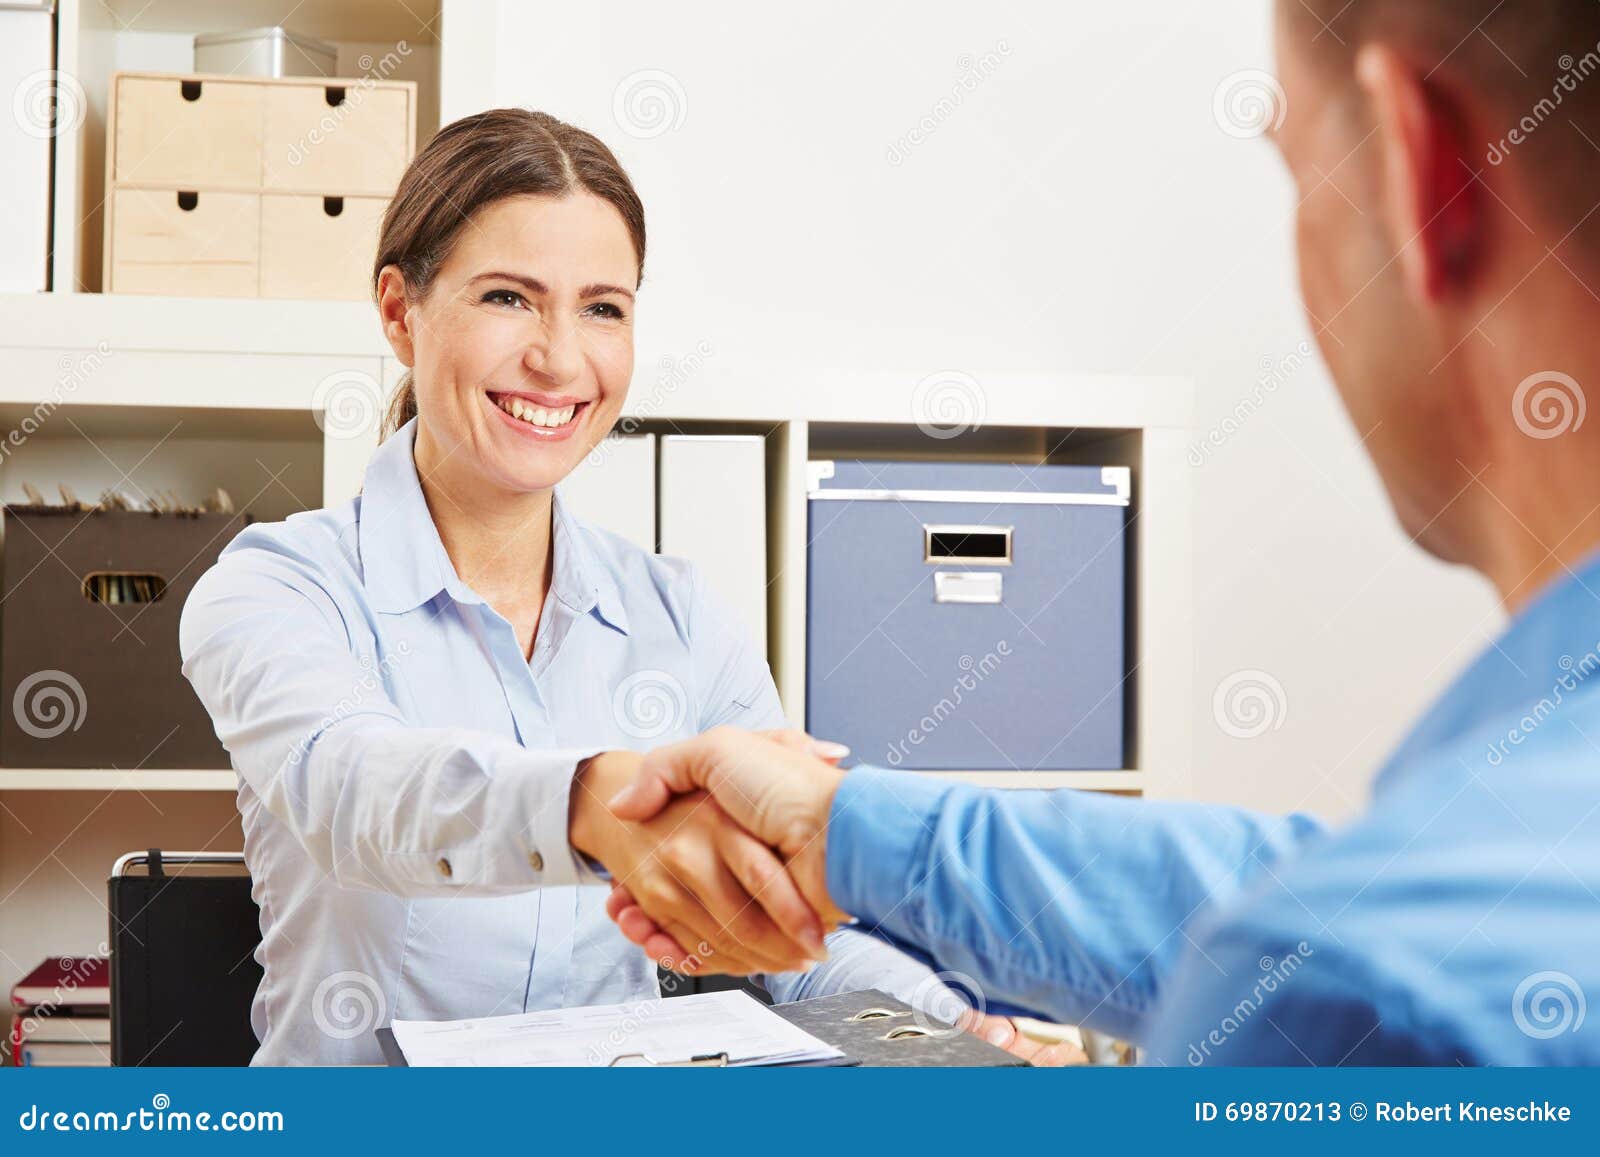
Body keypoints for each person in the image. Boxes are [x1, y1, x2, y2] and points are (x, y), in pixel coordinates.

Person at [599, 0, 1600, 1065]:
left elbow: (1342, 947)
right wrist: (848, 831)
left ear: (1422, 178)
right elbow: (1331, 889)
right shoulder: (1462, 895)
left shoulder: (1370, 1003)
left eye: (1299, 169)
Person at [179, 108, 1073, 1065]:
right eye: (509, 298)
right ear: (401, 312)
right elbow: (357, 788)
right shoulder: (276, 588)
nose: (560, 359)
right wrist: (593, 805)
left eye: (602, 308)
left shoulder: (678, 616)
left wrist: (956, 1026)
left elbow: (790, 930)